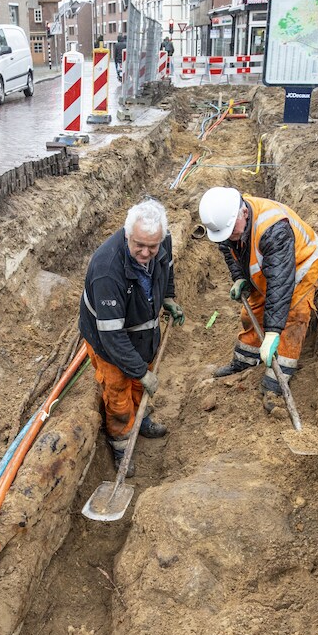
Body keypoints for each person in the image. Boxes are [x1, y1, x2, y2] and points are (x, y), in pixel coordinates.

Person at [79, 198, 184, 476]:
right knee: (118, 391)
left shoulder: (162, 241)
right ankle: (122, 441)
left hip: (144, 328)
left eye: (153, 246)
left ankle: (142, 419)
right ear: (127, 235)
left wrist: (169, 296)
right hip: (108, 339)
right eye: (139, 245)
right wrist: (139, 371)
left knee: (141, 377)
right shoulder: (107, 271)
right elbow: (113, 337)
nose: (146, 252)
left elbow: (167, 267)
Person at [198, 186, 318, 400]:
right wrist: (240, 277)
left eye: (230, 232)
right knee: (252, 312)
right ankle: (245, 361)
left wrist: (273, 330)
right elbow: (230, 251)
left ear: (243, 212)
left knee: (292, 316)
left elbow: (281, 283)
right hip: (271, 266)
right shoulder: (229, 224)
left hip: (300, 267)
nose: (228, 237)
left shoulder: (274, 229)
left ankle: (275, 382)